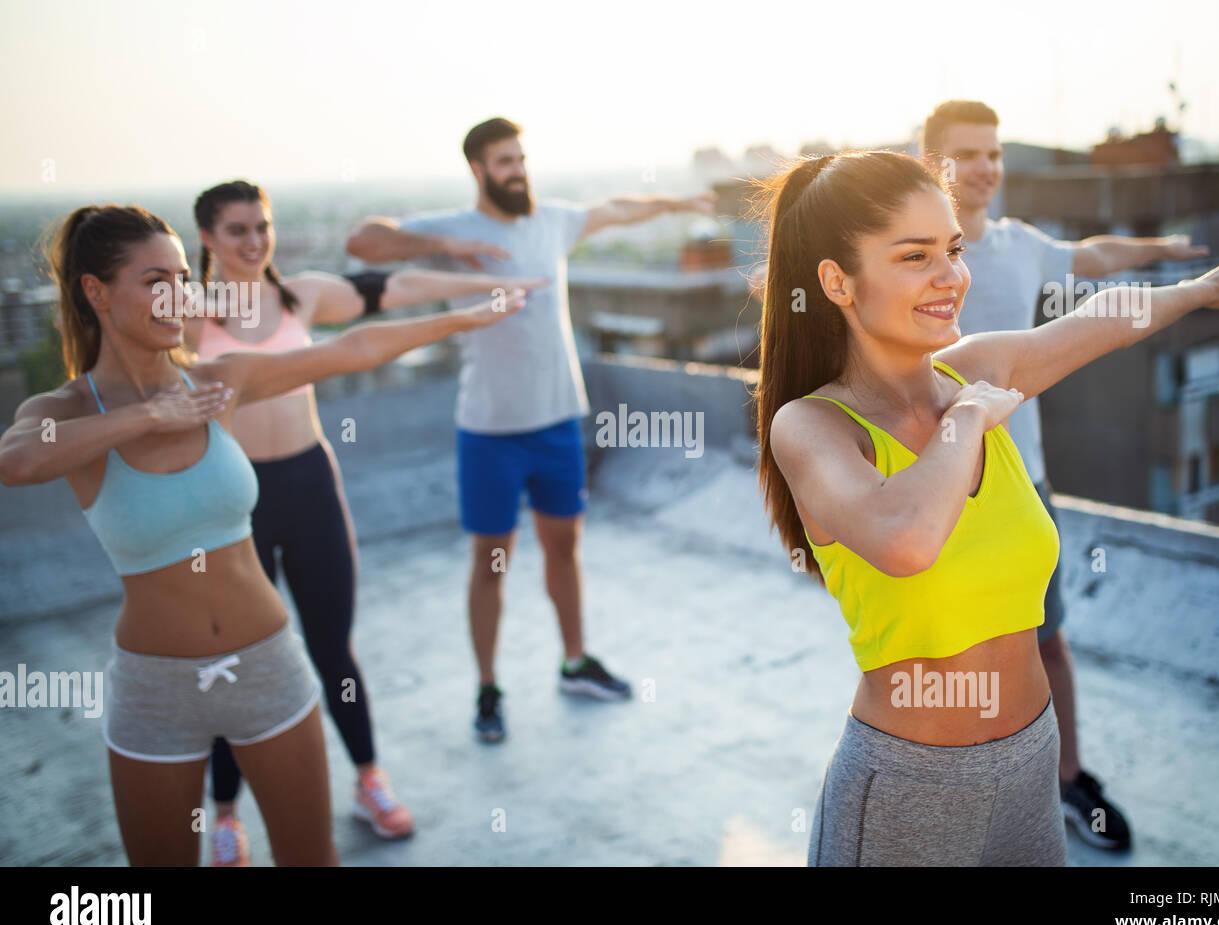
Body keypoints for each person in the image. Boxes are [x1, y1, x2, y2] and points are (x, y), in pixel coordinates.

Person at [755, 150, 1219, 866]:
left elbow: (1101, 322)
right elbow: (906, 539)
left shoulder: (978, 366)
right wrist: (967, 418)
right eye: (914, 257)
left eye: (953, 250)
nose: (951, 276)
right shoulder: (814, 427)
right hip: (910, 789)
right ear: (836, 282)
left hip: (1032, 762)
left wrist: (1197, 292)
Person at [0, 204, 528, 866]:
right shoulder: (65, 413)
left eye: (185, 277)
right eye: (155, 278)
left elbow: (351, 348)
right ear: (95, 291)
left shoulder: (218, 381)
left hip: (268, 669)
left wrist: (468, 316)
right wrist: (144, 418)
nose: (179, 295)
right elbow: (17, 460)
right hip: (154, 693)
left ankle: (366, 780)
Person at [187, 180, 546, 864]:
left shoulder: (302, 295)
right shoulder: (189, 314)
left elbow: (398, 287)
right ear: (206, 237)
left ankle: (368, 780)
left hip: (310, 483)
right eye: (237, 230)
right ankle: (227, 814)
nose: (255, 240)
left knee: (333, 647)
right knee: (231, 661)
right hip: (233, 499)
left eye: (261, 225)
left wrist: (499, 282)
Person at [346, 117, 716, 742]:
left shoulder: (555, 221)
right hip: (490, 433)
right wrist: (448, 249)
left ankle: (575, 662)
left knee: (565, 549)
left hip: (557, 423)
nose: (517, 170)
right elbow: (364, 241)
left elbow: (620, 208)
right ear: (478, 170)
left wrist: (678, 200)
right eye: (502, 161)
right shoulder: (455, 230)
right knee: (491, 564)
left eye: (520, 157)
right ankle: (488, 688)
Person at [919, 100, 1211, 850]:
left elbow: (1095, 255)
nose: (983, 167)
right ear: (931, 164)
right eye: (965, 154)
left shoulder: (1019, 245)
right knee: (949, 656)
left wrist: (1163, 248)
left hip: (1025, 483)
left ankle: (1069, 780)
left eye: (993, 153)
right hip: (937, 488)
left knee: (1048, 640)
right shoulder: (911, 252)